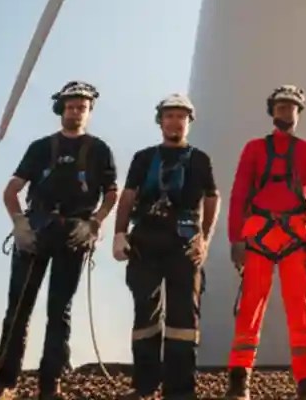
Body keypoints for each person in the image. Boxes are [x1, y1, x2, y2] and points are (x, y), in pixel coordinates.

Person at [0, 81, 119, 400]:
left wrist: (95, 223)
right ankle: (4, 381)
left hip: (74, 233)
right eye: (71, 106)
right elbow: (11, 190)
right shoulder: (41, 147)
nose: (76, 111)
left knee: (60, 310)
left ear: (89, 111)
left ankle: (50, 384)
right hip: (37, 230)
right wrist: (19, 224)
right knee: (19, 307)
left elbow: (112, 192)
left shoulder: (100, 150)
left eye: (82, 107)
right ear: (61, 109)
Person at [113, 93, 219, 400]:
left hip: (184, 246)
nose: (175, 122)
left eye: (181, 117)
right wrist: (120, 233)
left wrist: (205, 239)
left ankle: (180, 391)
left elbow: (213, 198)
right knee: (145, 314)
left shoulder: (200, 159)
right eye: (170, 116)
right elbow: (129, 195)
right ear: (160, 121)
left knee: (183, 319)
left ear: (189, 122)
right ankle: (144, 386)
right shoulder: (144, 158)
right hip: (145, 241)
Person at [224, 85, 306, 400]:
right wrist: (235, 238)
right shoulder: (254, 149)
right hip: (258, 237)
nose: (286, 111)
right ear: (272, 112)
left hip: (296, 237)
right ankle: (239, 380)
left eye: (291, 107)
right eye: (281, 107)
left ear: (298, 112)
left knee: (300, 312)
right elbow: (239, 193)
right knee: (250, 310)